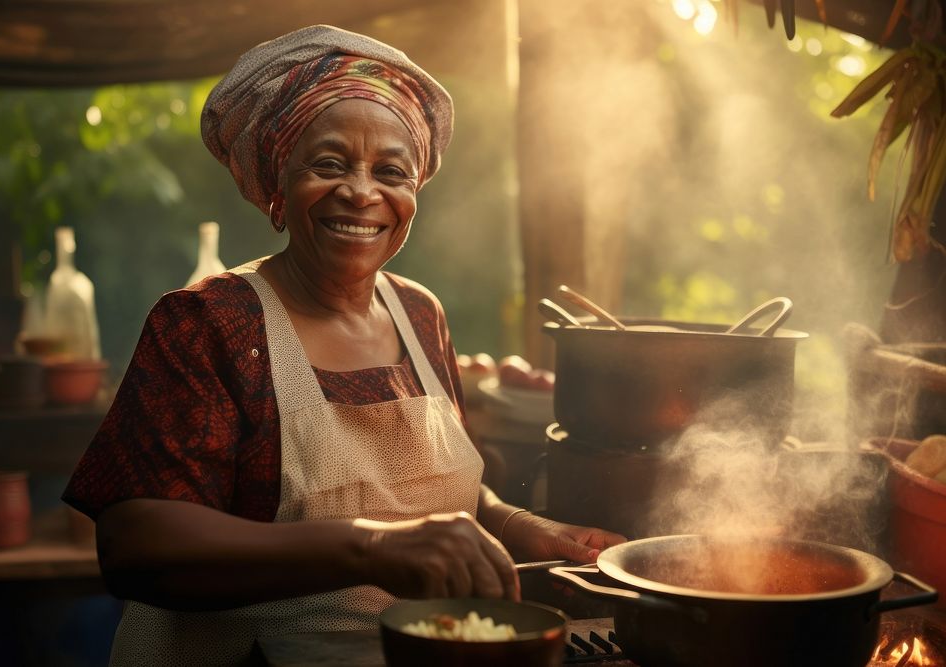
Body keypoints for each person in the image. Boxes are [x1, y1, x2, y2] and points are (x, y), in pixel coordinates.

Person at [62, 24, 625, 666]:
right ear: (278, 181)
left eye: (392, 171)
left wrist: (528, 527)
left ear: (414, 195)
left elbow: (440, 489)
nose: (362, 192)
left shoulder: (420, 314)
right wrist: (370, 549)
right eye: (329, 164)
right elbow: (137, 547)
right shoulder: (209, 323)